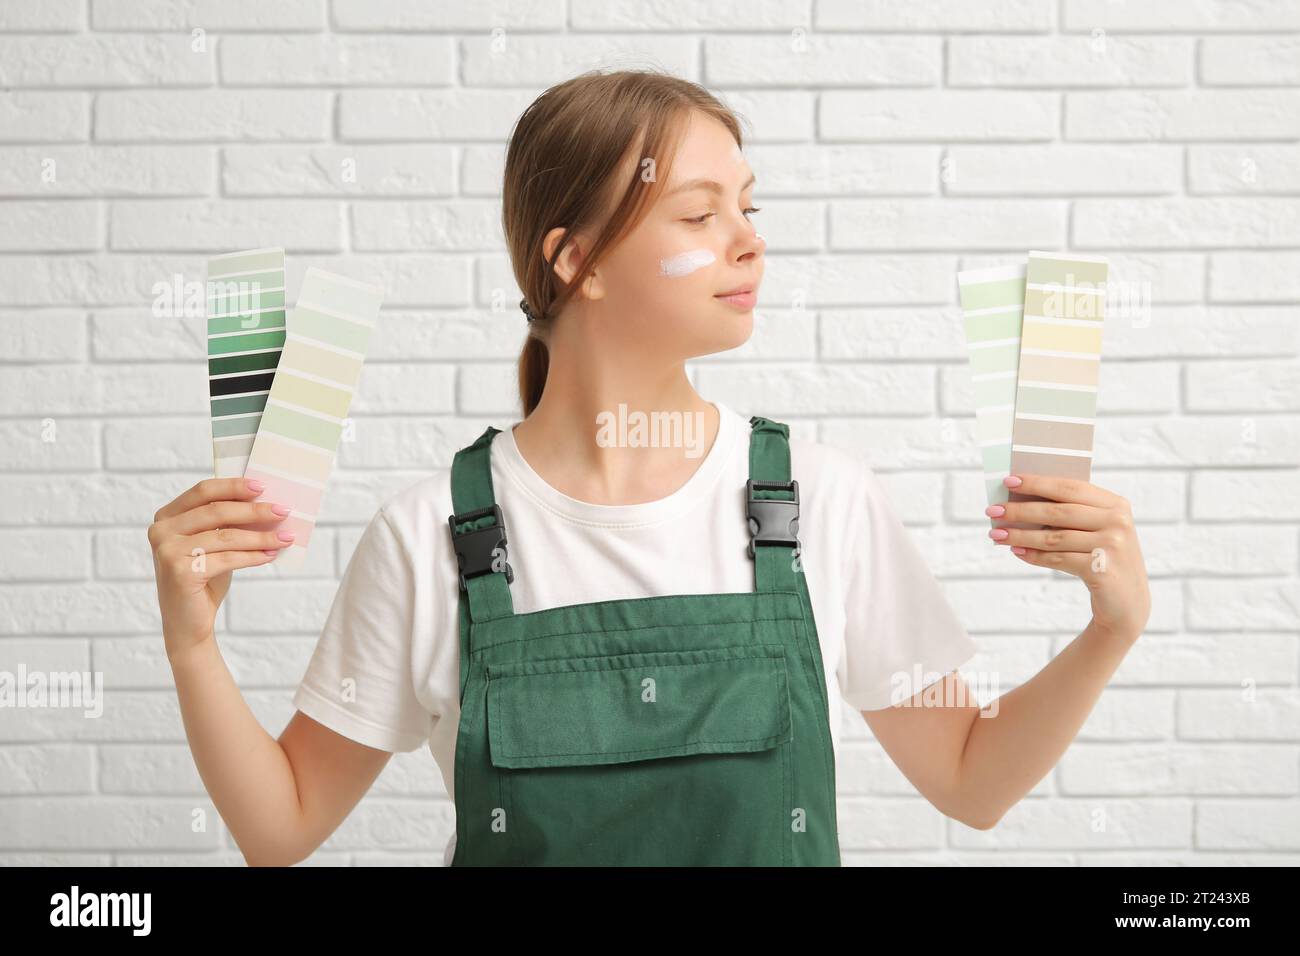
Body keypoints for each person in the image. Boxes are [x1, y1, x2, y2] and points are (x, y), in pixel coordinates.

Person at [148, 68, 1152, 866]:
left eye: (749, 208)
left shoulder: (816, 499)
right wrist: (193, 646)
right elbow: (279, 829)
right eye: (700, 213)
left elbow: (971, 777)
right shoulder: (430, 536)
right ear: (575, 260)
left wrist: (1112, 627)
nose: (750, 242)